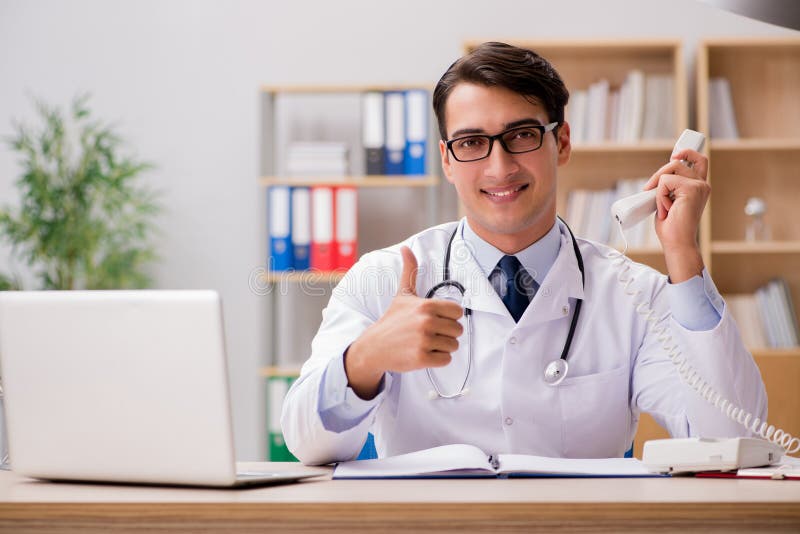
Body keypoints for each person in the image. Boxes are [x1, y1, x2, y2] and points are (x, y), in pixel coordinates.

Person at [281, 41, 767, 465]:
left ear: (562, 142)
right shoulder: (386, 278)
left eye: (521, 136)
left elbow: (733, 440)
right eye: (472, 142)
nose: (500, 167)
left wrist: (682, 252)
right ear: (447, 159)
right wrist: (367, 357)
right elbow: (307, 444)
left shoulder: (633, 292)